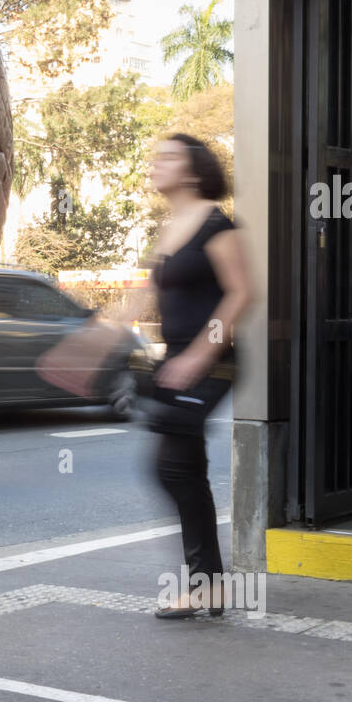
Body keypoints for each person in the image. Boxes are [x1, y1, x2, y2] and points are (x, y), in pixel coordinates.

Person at [146, 133, 252, 618]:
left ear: (192, 171)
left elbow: (242, 293)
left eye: (167, 158)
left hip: (214, 359)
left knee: (173, 468)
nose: (155, 164)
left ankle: (207, 584)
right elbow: (149, 297)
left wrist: (198, 356)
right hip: (177, 359)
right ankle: (209, 586)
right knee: (181, 469)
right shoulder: (170, 227)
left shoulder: (215, 224)